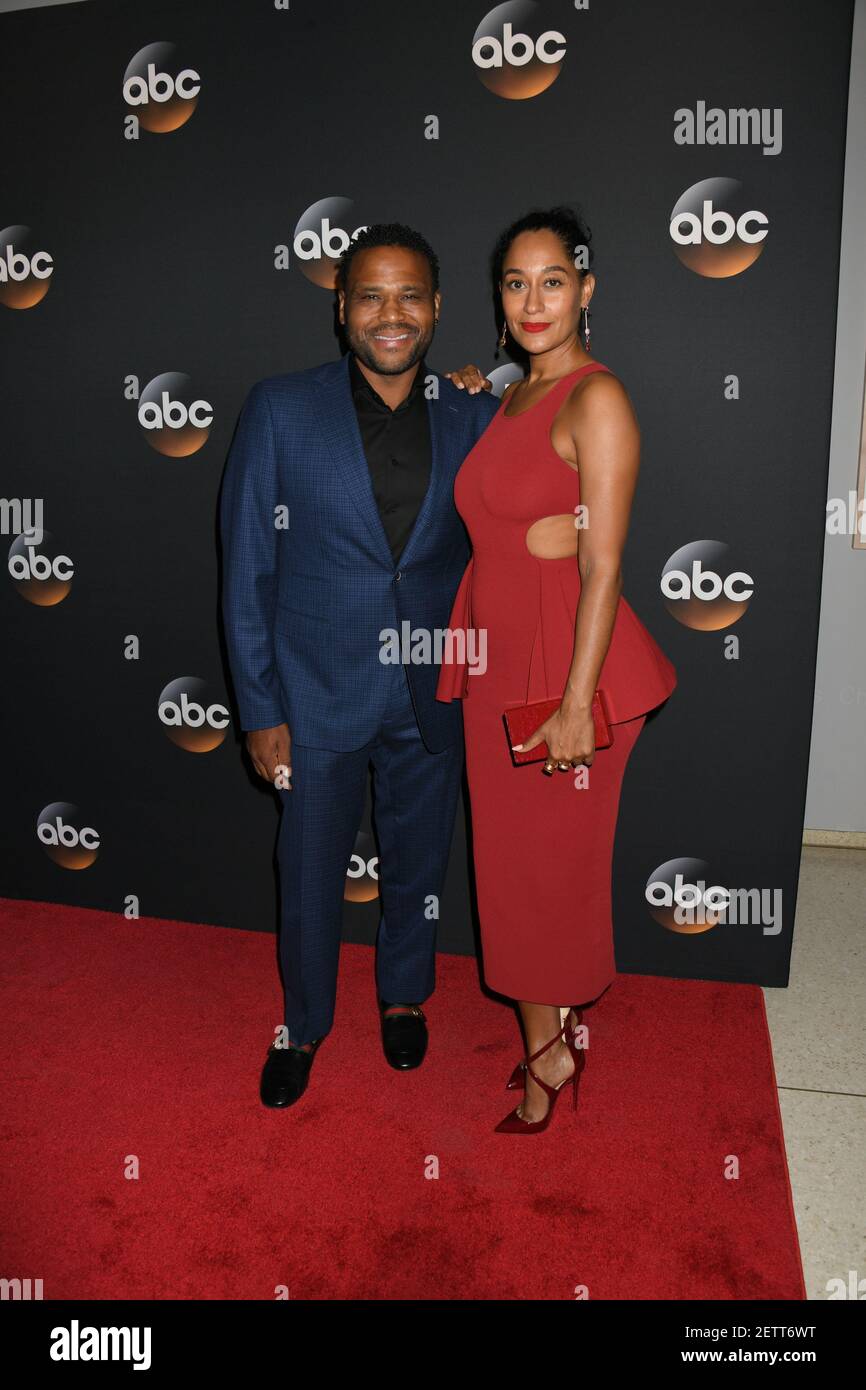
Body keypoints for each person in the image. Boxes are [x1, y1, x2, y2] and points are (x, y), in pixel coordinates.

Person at [220, 223, 499, 1109]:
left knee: (418, 863)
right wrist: (261, 710)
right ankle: (303, 1024)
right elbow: (246, 571)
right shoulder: (279, 407)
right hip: (314, 695)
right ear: (341, 308)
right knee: (307, 873)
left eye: (410, 295)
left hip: (431, 686)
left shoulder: (473, 414)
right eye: (371, 296)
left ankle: (404, 995)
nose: (392, 314)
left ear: (438, 309)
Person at [437, 206, 677, 1134]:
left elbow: (606, 560)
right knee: (512, 868)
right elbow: (510, 507)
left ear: (584, 291)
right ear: (499, 303)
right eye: (515, 283)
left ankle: (548, 1056)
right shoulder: (510, 395)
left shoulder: (597, 398)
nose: (534, 300)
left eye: (552, 281)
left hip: (568, 674)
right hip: (499, 663)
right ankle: (555, 1032)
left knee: (545, 873)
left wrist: (578, 707)